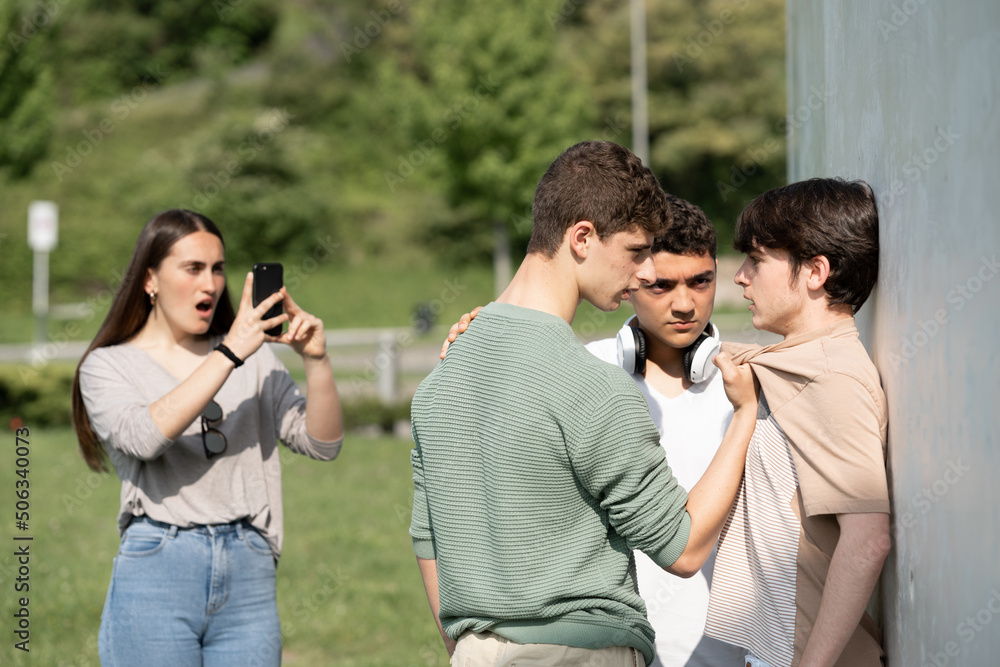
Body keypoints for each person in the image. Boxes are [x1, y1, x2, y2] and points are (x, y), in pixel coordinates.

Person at [409, 140, 759, 666]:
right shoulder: (593, 386)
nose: (644, 273)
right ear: (582, 238)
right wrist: (746, 416)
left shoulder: (441, 379)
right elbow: (683, 547)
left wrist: (468, 648)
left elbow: (428, 537)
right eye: (637, 251)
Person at [71, 209, 344, 667]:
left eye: (218, 268)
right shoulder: (108, 366)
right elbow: (144, 438)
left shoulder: (254, 360)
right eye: (193, 268)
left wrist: (316, 360)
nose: (211, 284)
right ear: (150, 279)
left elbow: (322, 443)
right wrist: (231, 351)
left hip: (248, 571)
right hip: (158, 567)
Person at [703, 178, 890, 667]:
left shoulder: (831, 377)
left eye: (757, 259)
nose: (740, 276)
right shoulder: (797, 364)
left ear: (815, 271)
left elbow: (868, 537)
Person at [585, 194, 745, 667]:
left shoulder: (751, 386)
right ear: (630, 283)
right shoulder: (586, 372)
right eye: (661, 286)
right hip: (611, 649)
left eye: (701, 282)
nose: (684, 304)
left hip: (729, 652)